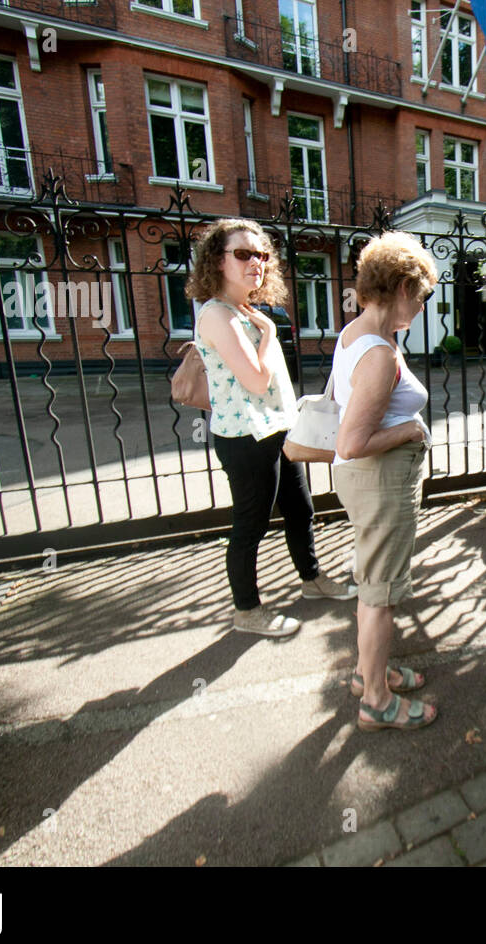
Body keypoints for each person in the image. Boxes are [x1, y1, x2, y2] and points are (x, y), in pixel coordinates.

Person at [187, 218, 356, 637]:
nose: (256, 262)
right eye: (243, 254)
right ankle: (246, 611)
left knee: (301, 510)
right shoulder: (216, 315)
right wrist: (266, 333)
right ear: (217, 261)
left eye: (261, 255)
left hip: (277, 429)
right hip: (245, 437)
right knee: (251, 524)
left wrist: (261, 326)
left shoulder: (246, 310)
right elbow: (257, 380)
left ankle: (312, 579)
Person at [332, 232, 438, 732]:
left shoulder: (356, 335)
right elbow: (352, 440)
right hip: (381, 482)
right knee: (380, 593)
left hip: (368, 484)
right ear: (400, 286)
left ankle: (366, 673)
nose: (421, 306)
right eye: (420, 294)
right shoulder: (378, 353)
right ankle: (376, 702)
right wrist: (410, 430)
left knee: (372, 583)